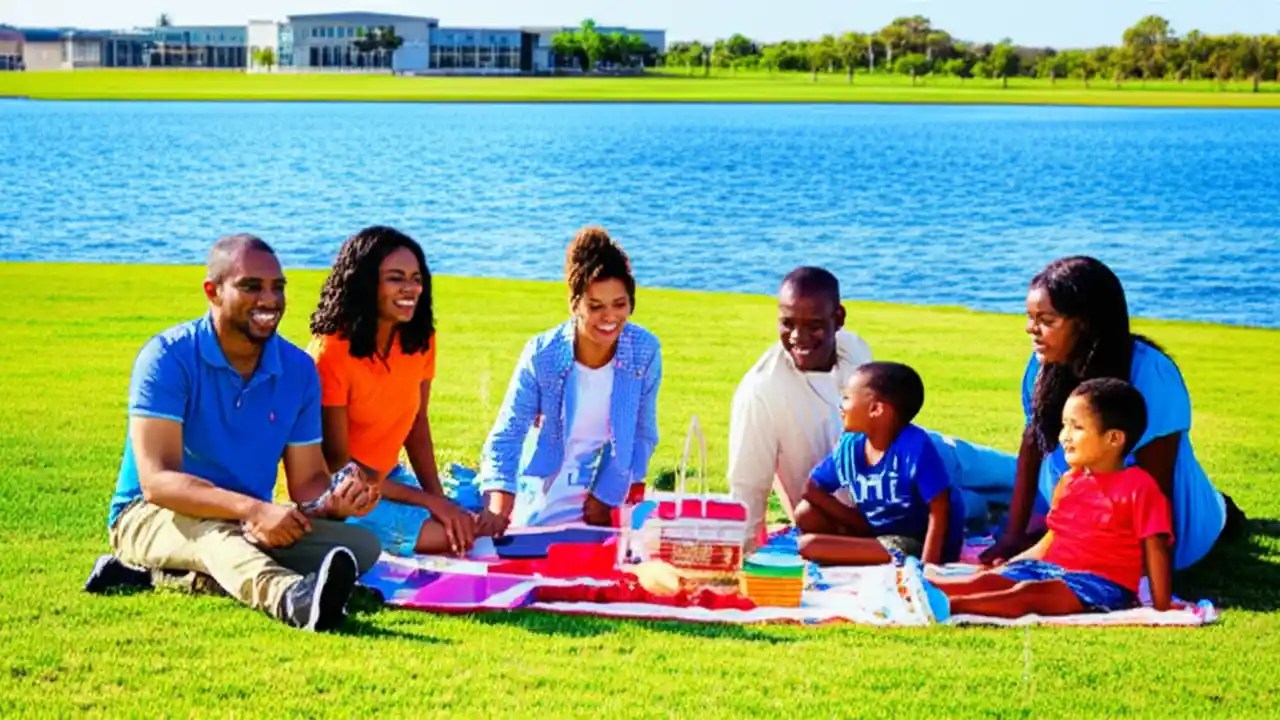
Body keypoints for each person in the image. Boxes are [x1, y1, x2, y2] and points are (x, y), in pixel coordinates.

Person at [84, 234, 383, 632]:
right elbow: (158, 483)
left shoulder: (297, 371)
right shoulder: (167, 358)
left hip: (246, 519)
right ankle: (294, 599)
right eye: (251, 286)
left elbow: (308, 481)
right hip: (149, 514)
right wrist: (253, 509)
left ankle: (160, 577)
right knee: (215, 538)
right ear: (213, 291)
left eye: (278, 287)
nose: (270, 300)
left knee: (362, 546)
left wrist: (335, 503)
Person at [981, 256, 1242, 570]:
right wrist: (1013, 534)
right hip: (1083, 513)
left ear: (1085, 322)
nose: (1031, 329)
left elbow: (1157, 488)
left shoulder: (1151, 374)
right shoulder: (1042, 366)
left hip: (1166, 522)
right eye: (1030, 317)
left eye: (1047, 320)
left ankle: (1223, 510)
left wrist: (1138, 568)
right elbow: (1032, 443)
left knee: (1217, 512)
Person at [728, 266, 1016, 543]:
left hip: (925, 457)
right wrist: (742, 555)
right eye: (787, 323)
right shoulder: (760, 392)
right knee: (975, 509)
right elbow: (748, 487)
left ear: (838, 318)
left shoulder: (853, 348)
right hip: (888, 507)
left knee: (1020, 476)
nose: (798, 337)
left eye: (813, 325)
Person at [906, 378, 1173, 621]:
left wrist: (1161, 609)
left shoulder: (1139, 487)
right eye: (1064, 425)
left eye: (1077, 427)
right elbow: (1053, 538)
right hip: (1048, 570)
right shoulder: (1070, 481)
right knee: (990, 580)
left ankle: (948, 606)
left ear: (1114, 438)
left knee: (1029, 593)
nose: (1064, 436)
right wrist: (1013, 564)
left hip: (1100, 586)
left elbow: (1155, 547)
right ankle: (919, 588)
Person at [476, 227, 662, 534]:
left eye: (619, 304)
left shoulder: (644, 351)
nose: (610, 317)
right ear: (574, 304)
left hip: (606, 500)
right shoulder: (543, 354)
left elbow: (643, 435)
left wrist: (606, 498)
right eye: (595, 306)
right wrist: (498, 510)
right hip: (539, 496)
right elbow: (507, 435)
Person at [309, 226, 477, 557]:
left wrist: (439, 500)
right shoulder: (330, 352)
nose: (411, 288)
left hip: (388, 479)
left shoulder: (421, 340)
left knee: (465, 523)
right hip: (338, 491)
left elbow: (417, 425)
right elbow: (337, 468)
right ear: (365, 282)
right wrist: (431, 503)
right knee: (446, 537)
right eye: (396, 278)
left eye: (416, 278)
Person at [795, 362, 964, 566]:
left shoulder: (915, 447)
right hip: (876, 533)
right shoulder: (851, 445)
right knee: (805, 513)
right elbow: (812, 489)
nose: (841, 406)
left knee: (809, 546)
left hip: (914, 540)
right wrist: (860, 523)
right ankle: (862, 549)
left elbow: (940, 507)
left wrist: (928, 567)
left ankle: (868, 553)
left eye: (847, 398)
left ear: (875, 409)